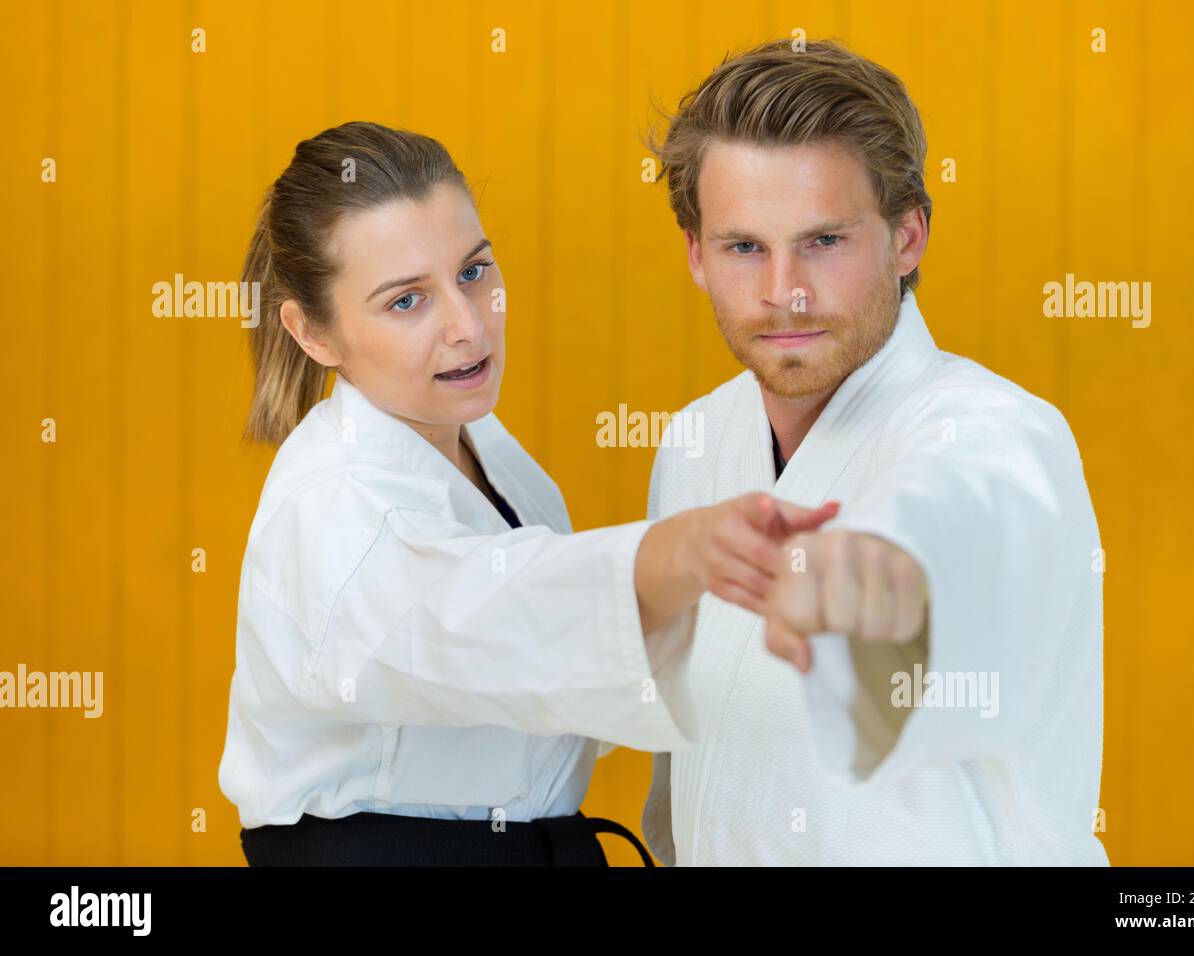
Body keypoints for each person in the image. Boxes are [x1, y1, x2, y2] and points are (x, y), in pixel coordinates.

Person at [216, 121, 837, 866]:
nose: (468, 325)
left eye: (474, 271)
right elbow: (485, 624)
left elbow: (557, 684)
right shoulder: (328, 509)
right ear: (311, 332)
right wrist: (674, 555)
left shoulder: (483, 446)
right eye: (406, 302)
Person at [636, 38, 1109, 865]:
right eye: (744, 246)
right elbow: (688, 766)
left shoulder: (998, 434)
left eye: (824, 241)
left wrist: (869, 575)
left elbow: (951, 518)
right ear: (695, 257)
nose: (784, 290)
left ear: (908, 237)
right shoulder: (694, 442)